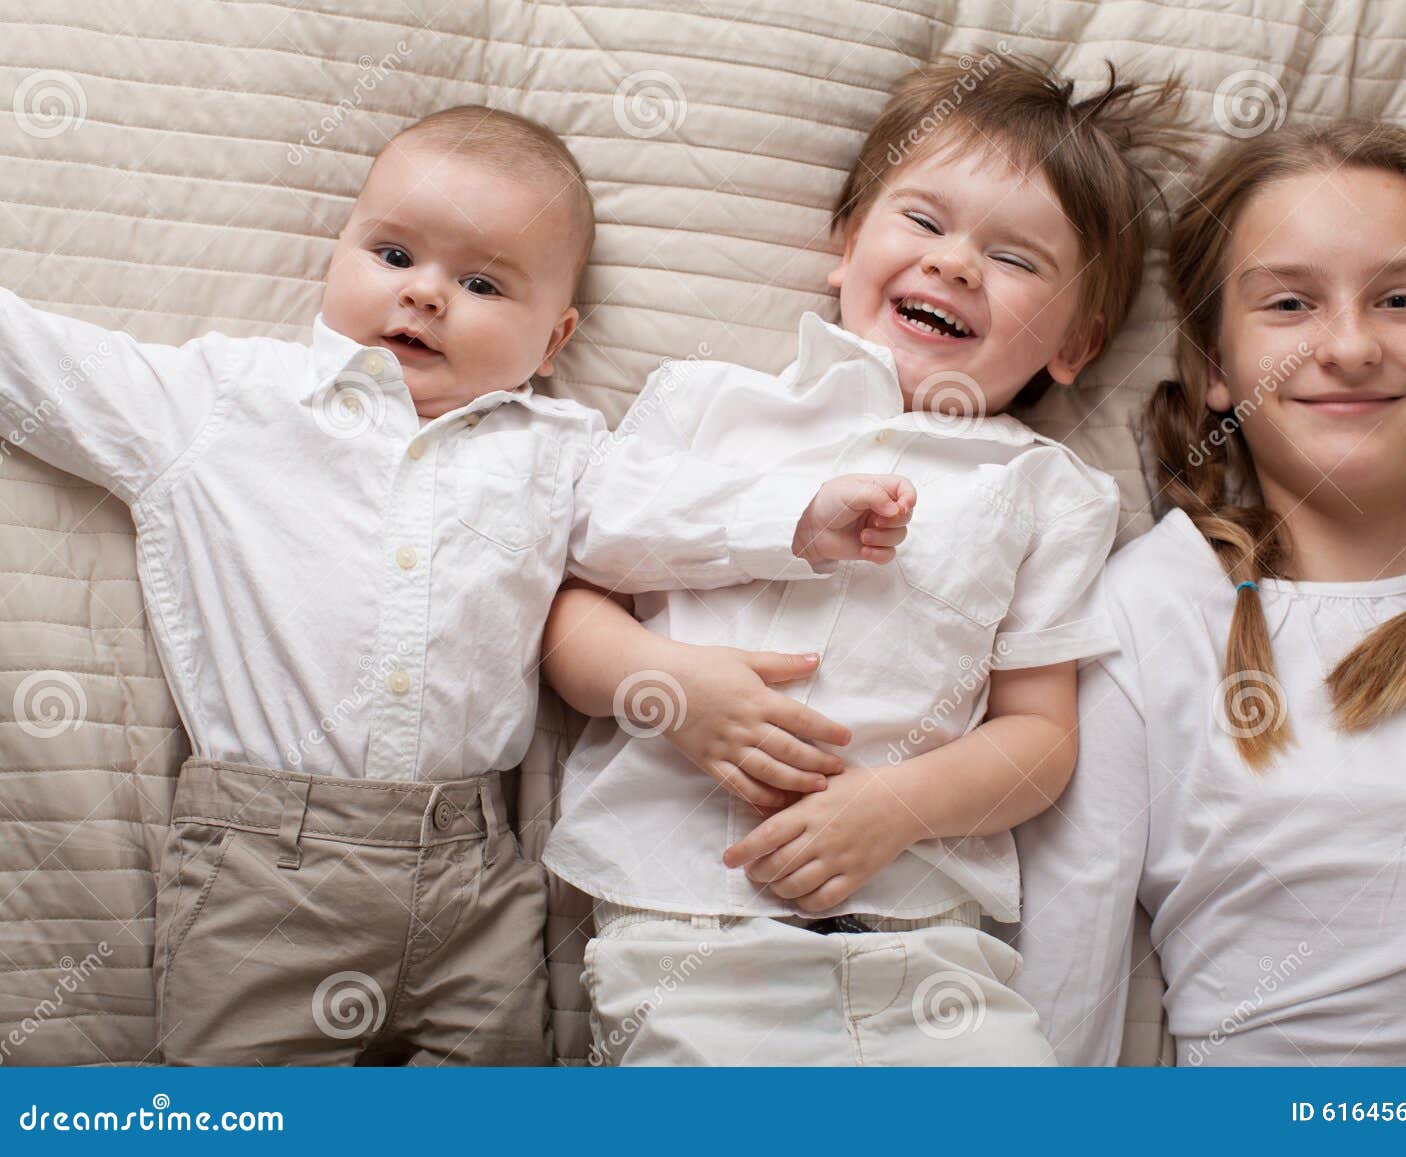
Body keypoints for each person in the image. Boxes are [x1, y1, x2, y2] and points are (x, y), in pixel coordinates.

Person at [0, 105, 911, 1064]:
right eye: (393, 256)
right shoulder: (226, 403)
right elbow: (46, 366)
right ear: (336, 253)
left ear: (552, 342)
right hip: (264, 865)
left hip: (476, 870)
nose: (427, 294)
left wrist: (802, 516)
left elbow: (665, 509)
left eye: (481, 283)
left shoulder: (557, 450)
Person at [539, 55, 1179, 1065]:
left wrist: (894, 805)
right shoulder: (710, 406)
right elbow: (571, 605)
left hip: (928, 946)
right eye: (924, 223)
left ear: (1076, 343)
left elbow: (1038, 739)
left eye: (1015, 259)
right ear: (844, 247)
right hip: (691, 925)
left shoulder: (1046, 489)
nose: (958, 264)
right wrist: (667, 686)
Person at [1017, 118, 1406, 1066]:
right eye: (1290, 304)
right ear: (1217, 369)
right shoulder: (1137, 614)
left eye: (1401, 299)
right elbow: (1062, 993)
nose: (1351, 345)